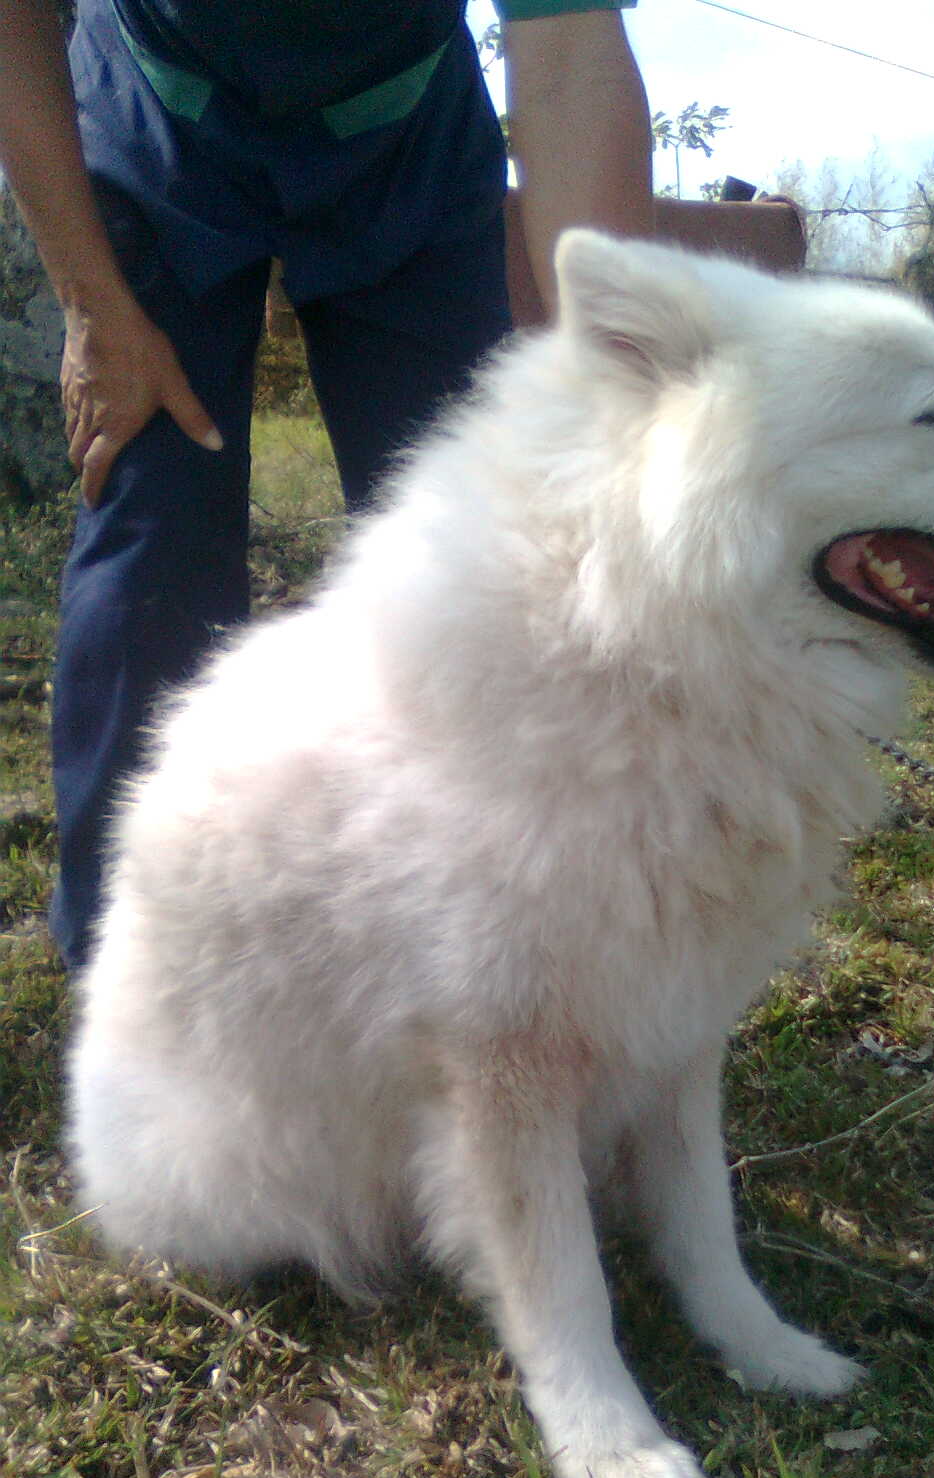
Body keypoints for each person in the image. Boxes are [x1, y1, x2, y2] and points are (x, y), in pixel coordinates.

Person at [0, 0, 653, 971]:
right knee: (152, 536)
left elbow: (567, 55)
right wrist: (95, 311)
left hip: (404, 133)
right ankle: (136, 966)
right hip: (157, 107)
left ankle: (508, 928)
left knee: (476, 539)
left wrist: (621, 386)